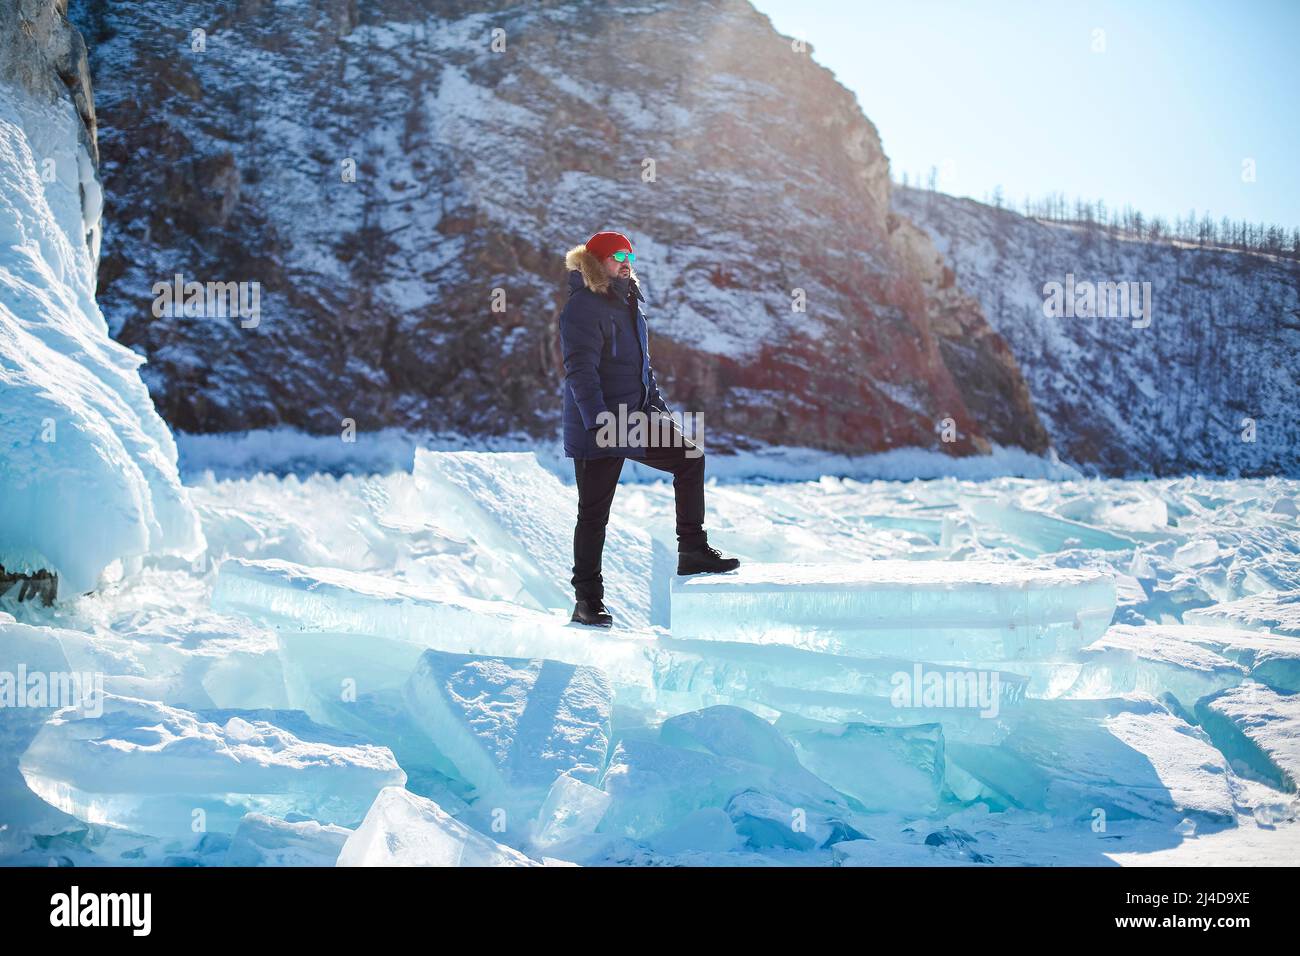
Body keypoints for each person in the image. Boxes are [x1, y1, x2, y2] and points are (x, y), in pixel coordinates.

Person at [559, 230, 739, 628]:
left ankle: (691, 548)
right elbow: (580, 371)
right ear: (596, 261)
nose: (626, 261)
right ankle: (587, 602)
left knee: (690, 457)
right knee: (593, 516)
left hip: (634, 419)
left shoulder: (630, 306)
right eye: (618, 255)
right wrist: (599, 421)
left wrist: (659, 412)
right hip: (600, 425)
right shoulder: (583, 307)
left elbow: (643, 371)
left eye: (630, 255)